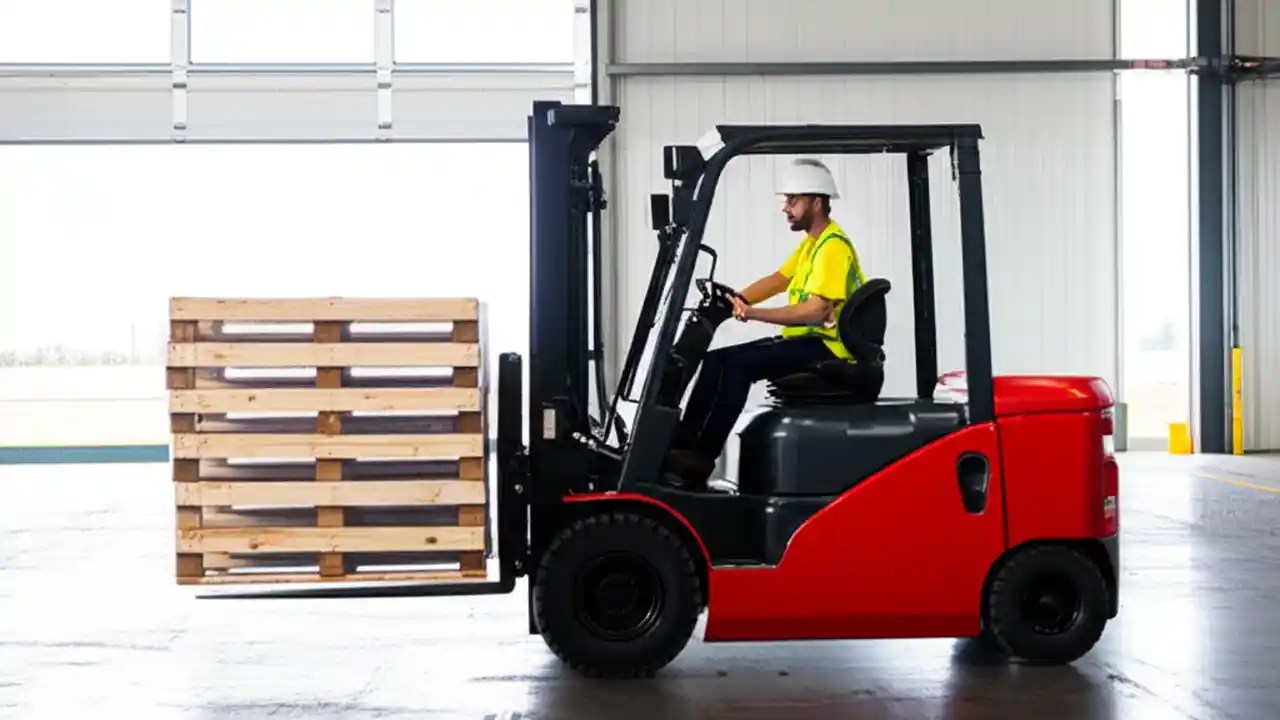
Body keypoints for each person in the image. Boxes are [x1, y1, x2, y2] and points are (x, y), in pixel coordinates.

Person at [665, 158, 867, 486]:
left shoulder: (833, 248)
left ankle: (701, 457)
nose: (785, 208)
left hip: (829, 349)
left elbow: (816, 310)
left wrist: (753, 313)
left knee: (737, 366)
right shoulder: (814, 244)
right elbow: (779, 279)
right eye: (785, 200)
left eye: (793, 200)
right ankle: (683, 447)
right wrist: (736, 299)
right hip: (810, 343)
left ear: (817, 202)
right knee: (717, 359)